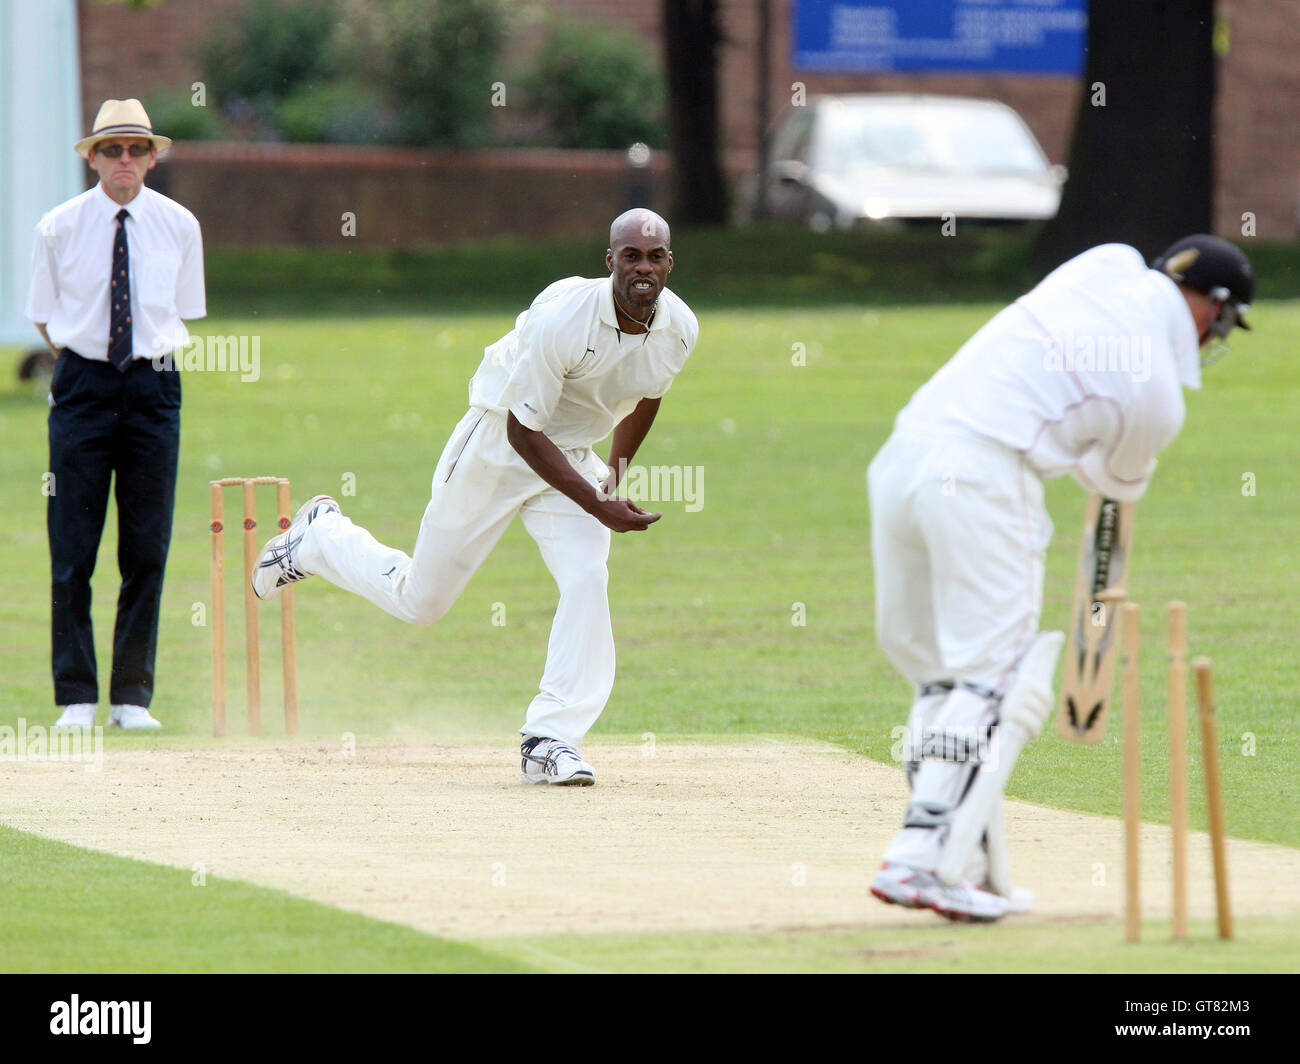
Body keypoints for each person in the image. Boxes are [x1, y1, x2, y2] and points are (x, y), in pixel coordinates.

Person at [866, 235, 1253, 921]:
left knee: (942, 678)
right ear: (1210, 308)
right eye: (1221, 321)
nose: (1214, 336)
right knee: (999, 677)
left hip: (902, 455)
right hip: (988, 473)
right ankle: (919, 860)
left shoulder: (1102, 262)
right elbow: (1110, 502)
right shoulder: (1159, 400)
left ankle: (973, 869)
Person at [253, 208, 698, 785]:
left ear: (669, 263)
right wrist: (596, 503)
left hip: (573, 454)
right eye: (631, 256)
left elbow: (647, 395)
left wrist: (612, 477)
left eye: (655, 256)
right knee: (422, 601)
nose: (643, 267)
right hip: (499, 442)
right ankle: (318, 539)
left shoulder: (680, 327)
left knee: (587, 577)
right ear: (609, 260)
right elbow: (523, 432)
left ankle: (550, 740)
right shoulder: (564, 320)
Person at [26, 99, 206, 731]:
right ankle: (76, 694)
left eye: (136, 149)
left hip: (154, 385)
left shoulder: (179, 224)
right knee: (72, 546)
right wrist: (91, 366)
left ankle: (132, 697)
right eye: (112, 150)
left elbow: (181, 311)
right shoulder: (59, 226)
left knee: (147, 544)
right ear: (94, 158)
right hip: (83, 382)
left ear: (152, 157)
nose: (124, 160)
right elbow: (44, 317)